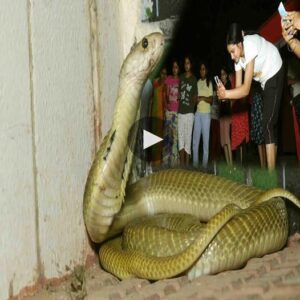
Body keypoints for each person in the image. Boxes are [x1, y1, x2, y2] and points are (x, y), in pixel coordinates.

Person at [217, 23, 285, 171]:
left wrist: (227, 94)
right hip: (265, 81)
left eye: (233, 51)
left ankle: (270, 176)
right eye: (229, 53)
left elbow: (246, 89)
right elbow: (238, 89)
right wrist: (226, 95)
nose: (232, 56)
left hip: (275, 69)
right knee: (270, 124)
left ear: (240, 44)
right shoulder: (238, 60)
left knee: (267, 124)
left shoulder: (250, 43)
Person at [178, 56, 198, 167]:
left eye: (188, 63)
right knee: (180, 139)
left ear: (191, 65)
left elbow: (195, 96)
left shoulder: (194, 79)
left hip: (189, 113)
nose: (186, 65)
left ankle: (186, 167)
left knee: (187, 139)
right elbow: (179, 94)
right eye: (185, 63)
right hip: (180, 112)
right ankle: (181, 167)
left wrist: (191, 105)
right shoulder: (181, 77)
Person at [192, 62, 213, 168]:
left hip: (206, 115)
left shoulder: (209, 83)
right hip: (198, 114)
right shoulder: (197, 82)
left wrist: (202, 98)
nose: (202, 71)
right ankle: (195, 165)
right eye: (201, 69)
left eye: (204, 69)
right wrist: (195, 99)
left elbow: (211, 100)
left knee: (205, 141)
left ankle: (204, 166)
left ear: (206, 70)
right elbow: (195, 99)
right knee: (195, 141)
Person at [163, 60, 180, 167]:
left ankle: (174, 164)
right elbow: (165, 94)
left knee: (175, 138)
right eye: (173, 67)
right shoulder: (168, 79)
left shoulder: (181, 80)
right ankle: (165, 163)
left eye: (176, 67)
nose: (175, 69)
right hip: (169, 113)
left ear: (178, 69)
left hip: (177, 113)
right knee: (167, 137)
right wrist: (166, 108)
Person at [149, 67, 167, 166]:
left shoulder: (165, 86)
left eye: (165, 74)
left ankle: (158, 163)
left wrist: (164, 115)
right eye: (162, 73)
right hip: (153, 115)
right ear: (160, 73)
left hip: (160, 116)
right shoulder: (154, 83)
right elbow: (151, 99)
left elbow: (165, 102)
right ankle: (152, 162)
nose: (163, 75)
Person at [219, 67, 232, 165]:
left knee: (227, 139)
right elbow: (219, 100)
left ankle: (231, 164)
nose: (222, 76)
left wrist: (224, 97)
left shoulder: (228, 84)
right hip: (221, 115)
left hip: (227, 114)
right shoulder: (220, 86)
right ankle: (228, 164)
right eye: (221, 74)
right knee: (223, 141)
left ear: (226, 75)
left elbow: (229, 98)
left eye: (224, 74)